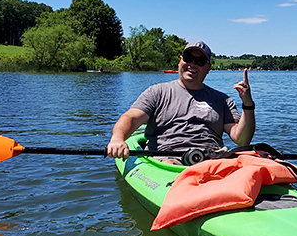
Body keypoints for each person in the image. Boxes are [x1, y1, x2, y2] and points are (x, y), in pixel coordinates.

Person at [106, 40, 255, 161]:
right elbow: (130, 118)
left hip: (212, 158)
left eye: (200, 61)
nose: (192, 64)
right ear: (180, 60)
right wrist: (117, 139)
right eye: (188, 58)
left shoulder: (223, 100)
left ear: (208, 67)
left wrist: (247, 104)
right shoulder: (157, 92)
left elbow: (242, 140)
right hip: (168, 158)